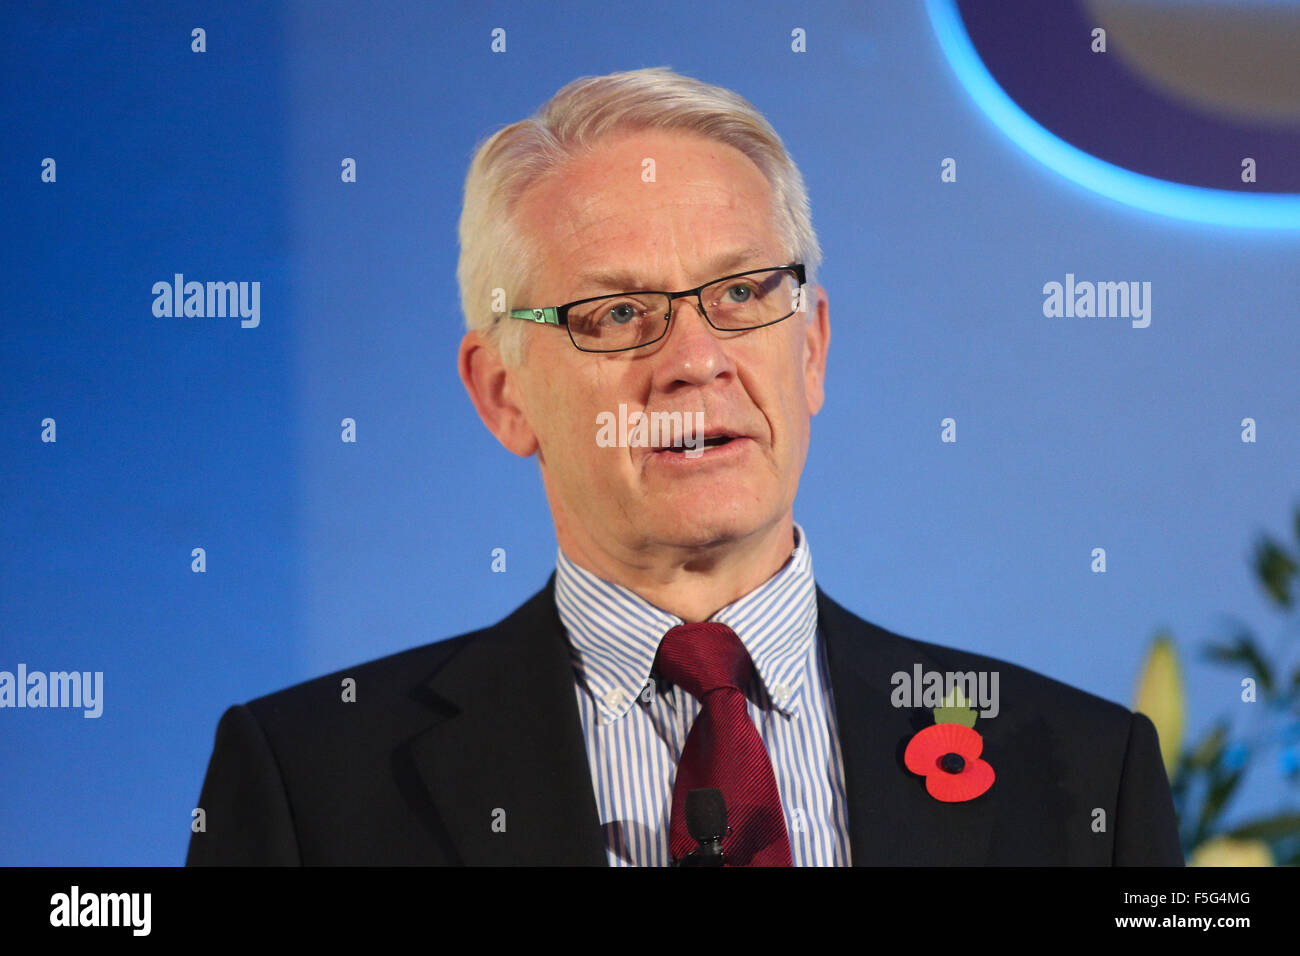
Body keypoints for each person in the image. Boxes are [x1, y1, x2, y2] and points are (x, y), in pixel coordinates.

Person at [187, 66, 1183, 866]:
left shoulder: (1081, 771)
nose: (695, 360)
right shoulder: (311, 784)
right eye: (618, 314)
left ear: (813, 347)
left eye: (744, 291)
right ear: (502, 393)